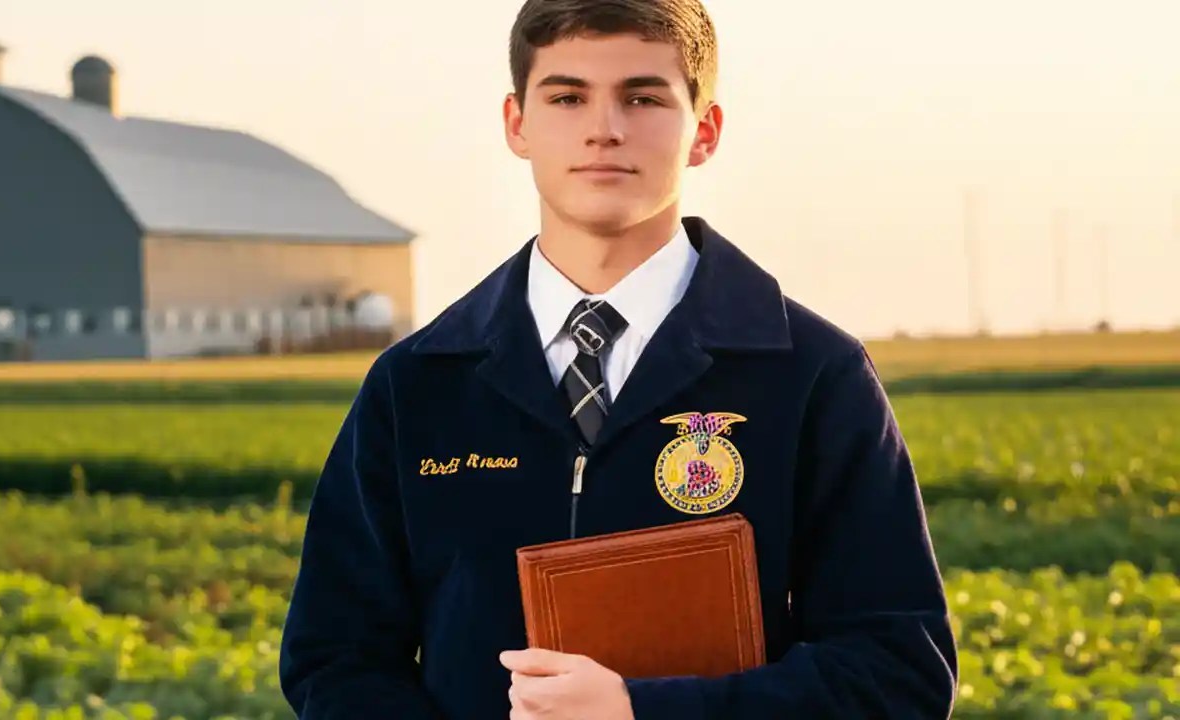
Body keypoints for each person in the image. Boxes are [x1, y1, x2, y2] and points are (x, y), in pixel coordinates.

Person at [278, 0, 959, 717]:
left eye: (643, 97)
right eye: (568, 97)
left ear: (706, 131)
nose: (605, 129)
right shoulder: (415, 384)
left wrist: (645, 712)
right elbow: (336, 659)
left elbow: (897, 672)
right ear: (517, 124)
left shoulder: (813, 374)